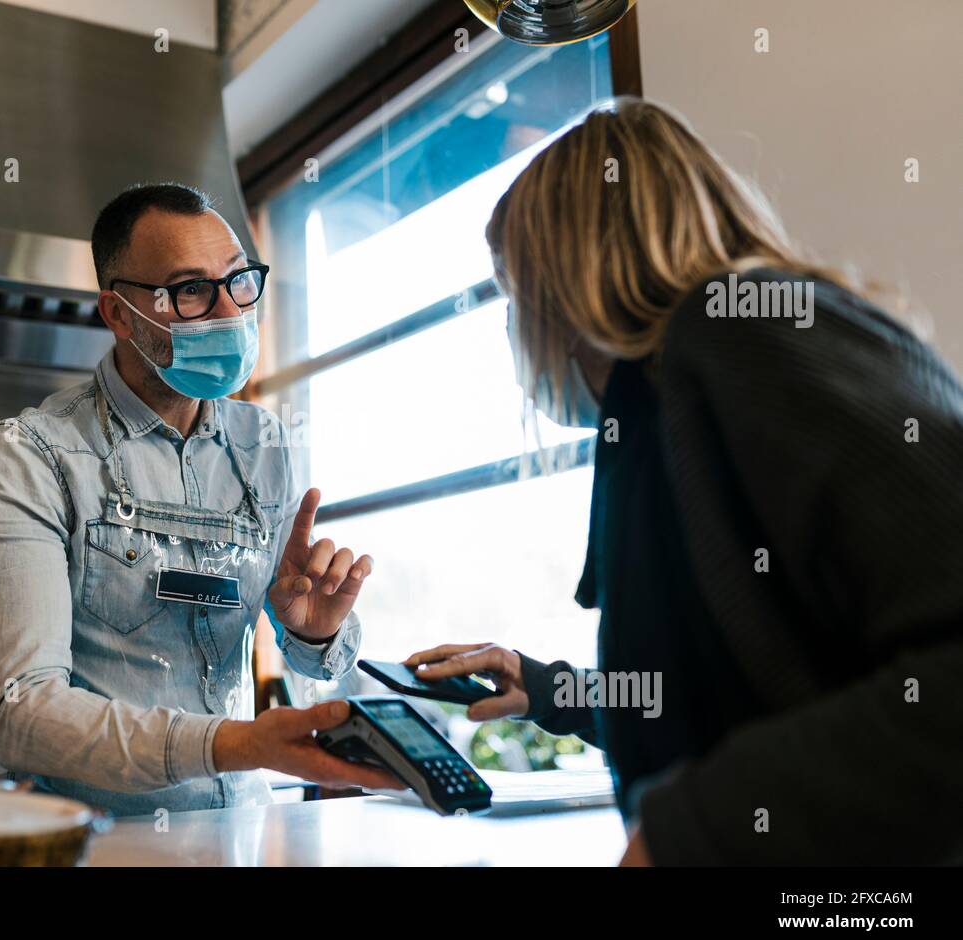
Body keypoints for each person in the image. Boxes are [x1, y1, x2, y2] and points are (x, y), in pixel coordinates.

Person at [407, 97, 963, 865]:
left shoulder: (741, 334)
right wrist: (555, 690)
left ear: (570, 271)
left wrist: (691, 831)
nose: (515, 327)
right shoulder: (654, 407)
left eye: (514, 290)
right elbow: (725, 693)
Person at [0, 183, 395, 816]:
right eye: (189, 291)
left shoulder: (265, 444)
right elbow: (24, 715)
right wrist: (233, 743)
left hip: (238, 833)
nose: (228, 312)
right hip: (89, 844)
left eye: (238, 282)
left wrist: (312, 636)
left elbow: (319, 676)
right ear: (119, 315)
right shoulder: (28, 458)